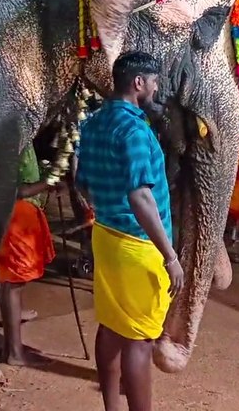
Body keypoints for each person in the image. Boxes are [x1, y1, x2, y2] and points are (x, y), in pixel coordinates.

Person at [75, 51, 182, 411]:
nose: (156, 89)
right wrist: (170, 256)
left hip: (106, 236)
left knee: (111, 326)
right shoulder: (135, 130)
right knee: (138, 340)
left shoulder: (93, 122)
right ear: (138, 83)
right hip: (139, 244)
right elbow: (140, 196)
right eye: (153, 82)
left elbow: (81, 182)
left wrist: (108, 204)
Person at [0, 145, 55, 365]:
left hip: (13, 214)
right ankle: (14, 352)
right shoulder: (12, 136)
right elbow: (16, 191)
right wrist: (48, 181)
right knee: (13, 282)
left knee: (0, 276)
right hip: (16, 216)